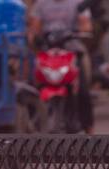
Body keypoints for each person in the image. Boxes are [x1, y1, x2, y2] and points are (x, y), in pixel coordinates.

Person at [27, 0, 95, 132]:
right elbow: (34, 28)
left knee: (83, 90)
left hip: (72, 49)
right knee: (31, 86)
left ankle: (89, 128)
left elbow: (86, 25)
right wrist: (34, 37)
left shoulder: (79, 4)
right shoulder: (40, 5)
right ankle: (31, 127)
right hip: (47, 50)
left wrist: (82, 29)